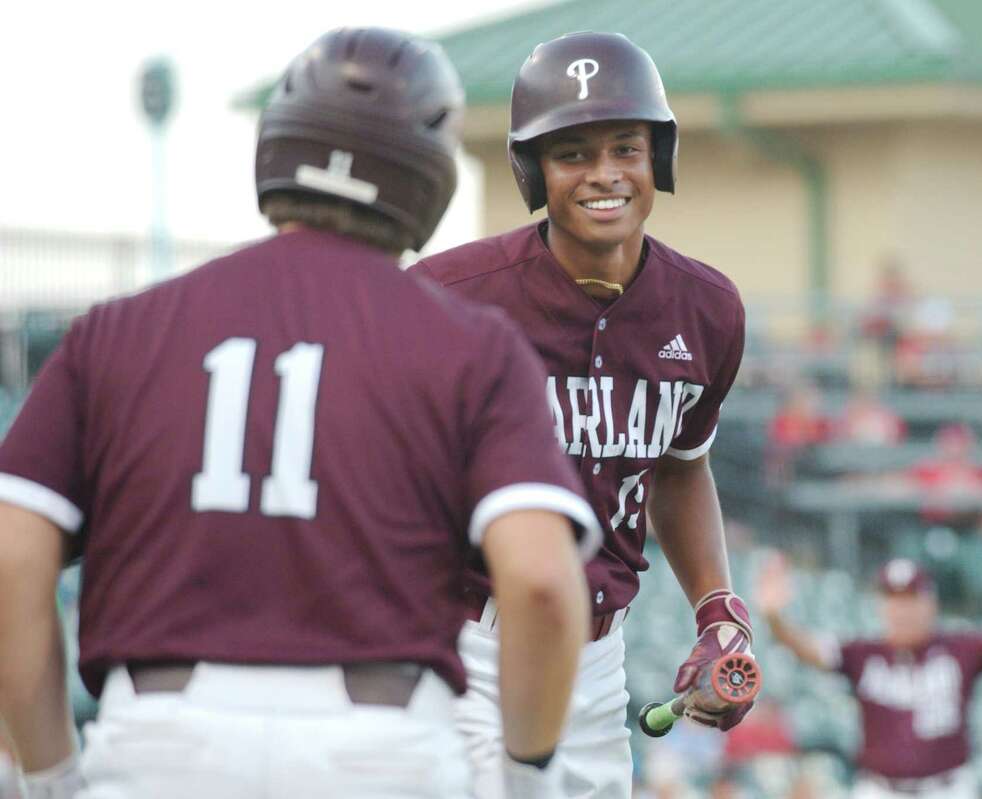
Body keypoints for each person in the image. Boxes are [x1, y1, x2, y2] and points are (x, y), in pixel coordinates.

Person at [0, 28, 597, 799]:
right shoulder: (473, 344)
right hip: (380, 748)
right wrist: (527, 772)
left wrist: (47, 771)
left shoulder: (119, 328)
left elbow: (11, 559)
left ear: (278, 148)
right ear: (428, 176)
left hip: (160, 740)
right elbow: (544, 583)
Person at [412, 31, 754, 798]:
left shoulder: (708, 308)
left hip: (599, 661)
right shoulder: (449, 293)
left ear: (655, 157)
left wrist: (717, 609)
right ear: (535, 169)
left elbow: (682, 467)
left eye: (624, 147)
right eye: (572, 153)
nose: (604, 174)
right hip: (464, 639)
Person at [757, 554, 982, 799]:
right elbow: (809, 649)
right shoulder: (863, 654)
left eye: (911, 600)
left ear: (930, 603)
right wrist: (774, 619)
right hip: (880, 789)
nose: (902, 611)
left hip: (948, 788)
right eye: (893, 600)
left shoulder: (960, 650)